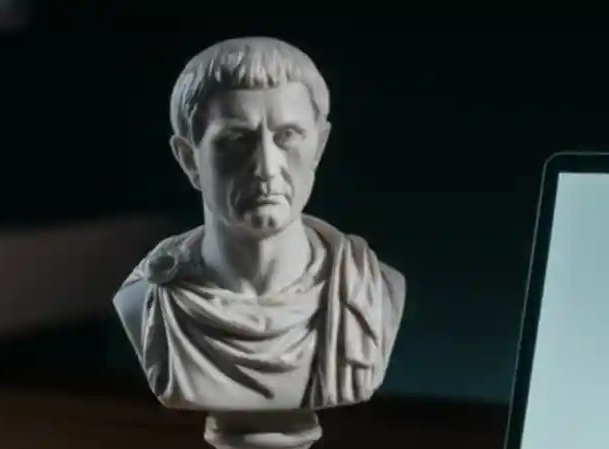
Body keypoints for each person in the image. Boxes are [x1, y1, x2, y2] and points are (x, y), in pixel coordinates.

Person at [113, 37, 406, 412]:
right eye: (236, 139)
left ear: (319, 147)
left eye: (288, 136)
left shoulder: (371, 289)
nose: (266, 167)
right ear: (188, 159)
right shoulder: (149, 300)